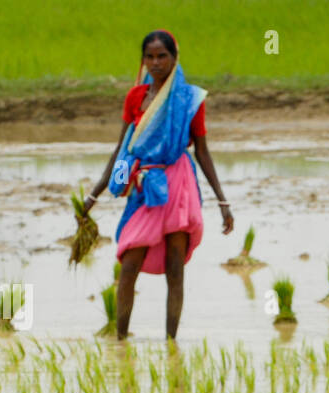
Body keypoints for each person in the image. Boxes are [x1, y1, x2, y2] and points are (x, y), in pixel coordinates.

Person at [83, 30, 233, 340]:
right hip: (144, 188)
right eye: (149, 57)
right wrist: (94, 194)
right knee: (129, 265)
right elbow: (123, 149)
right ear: (143, 60)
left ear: (175, 58)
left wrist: (222, 201)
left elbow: (202, 151)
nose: (155, 63)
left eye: (162, 56)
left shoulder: (189, 99)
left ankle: (170, 344)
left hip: (177, 185)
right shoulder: (136, 97)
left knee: (175, 268)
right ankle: (121, 339)